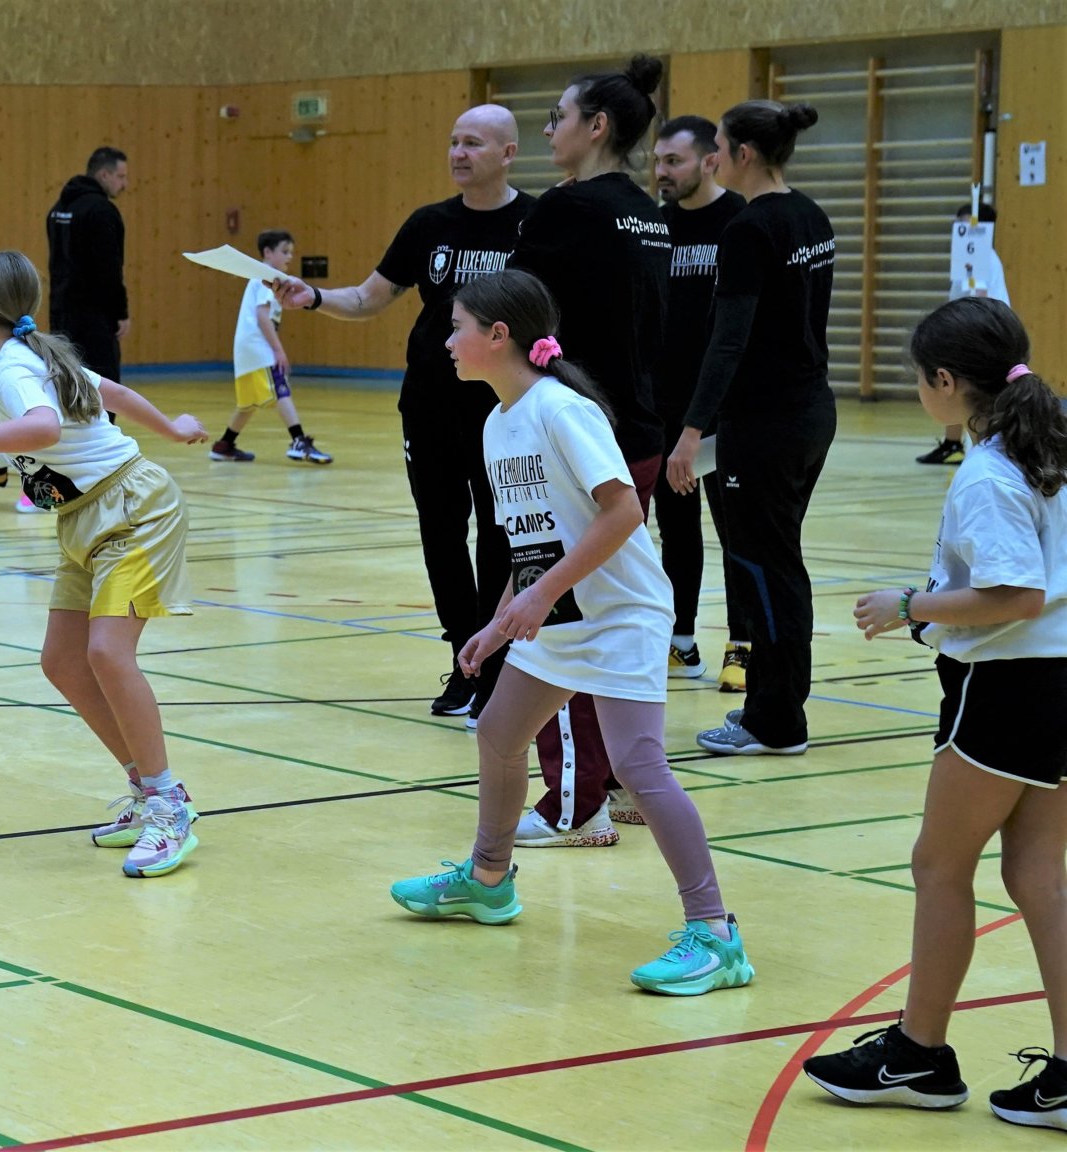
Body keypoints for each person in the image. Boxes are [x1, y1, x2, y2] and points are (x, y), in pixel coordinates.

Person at [388, 269, 752, 995]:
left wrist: (539, 597)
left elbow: (622, 514)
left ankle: (716, 936)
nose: (446, 340)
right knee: (497, 732)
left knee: (640, 767)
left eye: (456, 326)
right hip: (560, 613)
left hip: (620, 616)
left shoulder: (562, 412)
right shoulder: (498, 423)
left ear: (499, 336)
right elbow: (534, 542)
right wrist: (499, 620)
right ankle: (489, 880)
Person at [802, 298, 1067, 1132]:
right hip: (1058, 680)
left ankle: (917, 1054)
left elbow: (1016, 593)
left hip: (1012, 688)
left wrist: (911, 604)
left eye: (921, 378)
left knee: (938, 865)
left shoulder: (988, 472)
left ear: (945, 382)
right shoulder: (1048, 447)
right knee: (1039, 875)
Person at [0, 250, 208, 877]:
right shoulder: (28, 361)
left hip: (134, 510)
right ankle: (145, 789)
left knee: (107, 653)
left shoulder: (13, 372)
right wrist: (171, 425)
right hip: (84, 520)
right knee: (62, 661)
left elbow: (45, 427)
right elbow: (108, 391)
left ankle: (169, 809)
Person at [274, 104, 533, 719]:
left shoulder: (535, 223)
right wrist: (313, 298)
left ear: (507, 153)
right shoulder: (428, 225)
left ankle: (496, 664)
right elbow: (369, 297)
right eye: (452, 142)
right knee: (441, 534)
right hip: (430, 406)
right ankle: (463, 662)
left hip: (508, 409)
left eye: (473, 143)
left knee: (502, 537)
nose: (459, 153)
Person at [506, 55, 672, 843]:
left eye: (558, 116)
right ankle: (623, 779)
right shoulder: (647, 209)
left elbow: (507, 312)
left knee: (563, 616)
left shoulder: (563, 212)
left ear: (596, 126)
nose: (548, 130)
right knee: (619, 610)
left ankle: (574, 802)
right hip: (637, 432)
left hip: (573, 437)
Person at [667, 102, 837, 757]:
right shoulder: (810, 215)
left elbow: (728, 341)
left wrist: (690, 431)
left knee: (765, 570)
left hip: (764, 427)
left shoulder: (748, 228)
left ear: (738, 154)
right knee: (777, 563)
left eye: (720, 148)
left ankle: (778, 720)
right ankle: (766, 701)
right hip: (809, 413)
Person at [651, 117, 749, 697]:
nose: (662, 172)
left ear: (711, 160)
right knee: (676, 530)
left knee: (738, 532)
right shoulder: (655, 227)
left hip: (726, 409)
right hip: (666, 406)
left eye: (674, 162)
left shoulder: (740, 221)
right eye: (658, 161)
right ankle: (680, 639)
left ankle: (743, 644)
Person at [209, 229, 331, 464]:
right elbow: (263, 316)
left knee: (248, 403)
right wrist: (278, 350)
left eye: (291, 253)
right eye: (284, 251)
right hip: (257, 346)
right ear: (267, 252)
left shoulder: (260, 277)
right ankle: (298, 440)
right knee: (279, 386)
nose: (289, 257)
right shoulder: (266, 276)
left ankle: (224, 445)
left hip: (246, 348)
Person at [920, 204, 1012, 466]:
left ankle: (981, 448)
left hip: (982, 337)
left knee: (972, 394)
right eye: (958, 225)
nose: (960, 231)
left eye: (965, 225)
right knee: (956, 392)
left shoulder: (982, 258)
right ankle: (953, 444)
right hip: (969, 334)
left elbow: (979, 299)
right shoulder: (969, 259)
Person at [47, 147, 130, 385]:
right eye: (121, 177)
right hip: (95, 319)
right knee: (105, 384)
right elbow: (110, 269)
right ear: (104, 175)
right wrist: (120, 313)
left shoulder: (58, 209)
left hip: (62, 315)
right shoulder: (102, 211)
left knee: (68, 383)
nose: (125, 184)